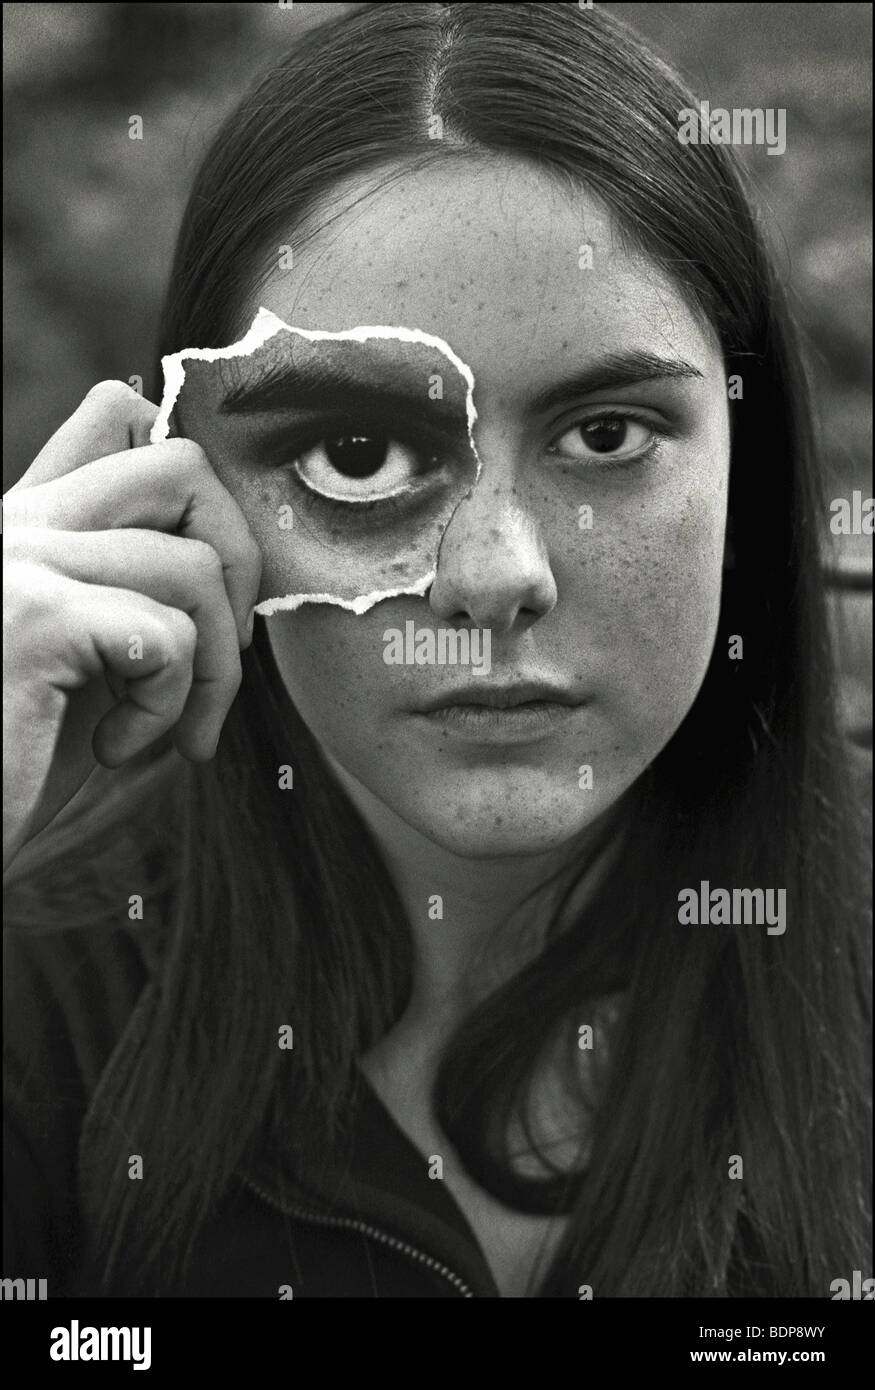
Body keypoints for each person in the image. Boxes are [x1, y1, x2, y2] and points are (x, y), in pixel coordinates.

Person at [3, 1, 870, 1299]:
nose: (498, 574)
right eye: (359, 454)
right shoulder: (41, 996)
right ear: (185, 485)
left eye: (608, 435)